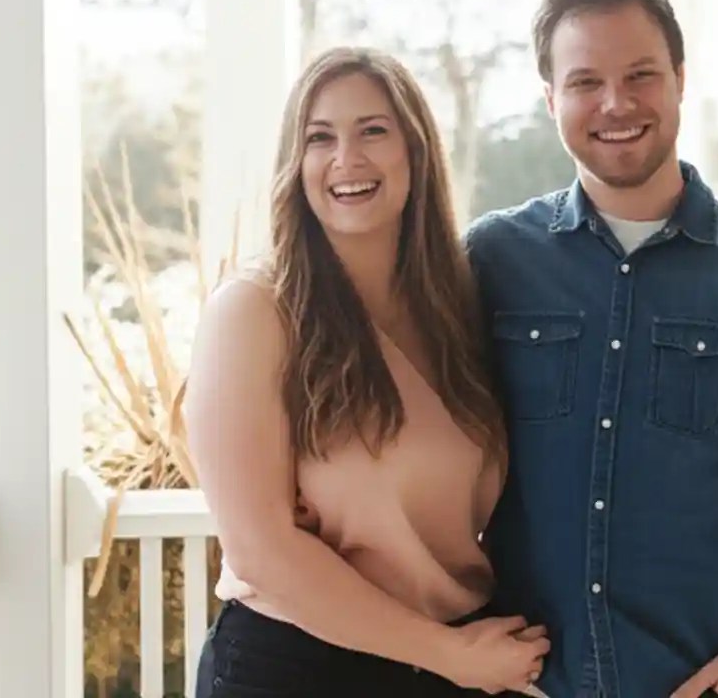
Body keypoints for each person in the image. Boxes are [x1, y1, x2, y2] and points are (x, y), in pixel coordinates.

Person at [464, 0, 718, 697]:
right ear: (551, 99)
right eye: (585, 81)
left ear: (679, 79)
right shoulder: (488, 263)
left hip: (699, 683)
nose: (616, 104)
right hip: (520, 684)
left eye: (640, 75)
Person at [185, 46, 550, 698]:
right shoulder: (254, 312)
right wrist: (450, 655)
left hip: (445, 666)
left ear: (416, 151)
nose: (345, 159)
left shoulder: (458, 311)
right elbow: (259, 551)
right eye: (319, 137)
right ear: (296, 165)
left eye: (372, 131)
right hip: (298, 669)